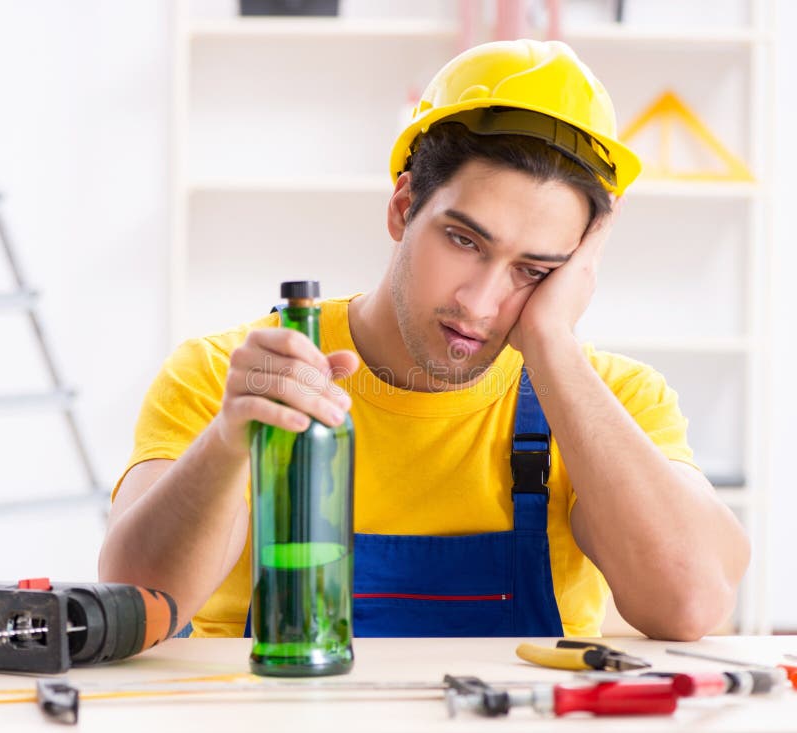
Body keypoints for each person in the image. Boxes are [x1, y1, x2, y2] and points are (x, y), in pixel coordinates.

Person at [99, 39, 749, 641]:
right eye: (465, 240)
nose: (479, 301)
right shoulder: (231, 375)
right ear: (403, 205)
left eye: (534, 271)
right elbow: (135, 600)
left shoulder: (612, 401)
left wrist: (551, 342)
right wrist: (229, 441)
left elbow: (689, 603)